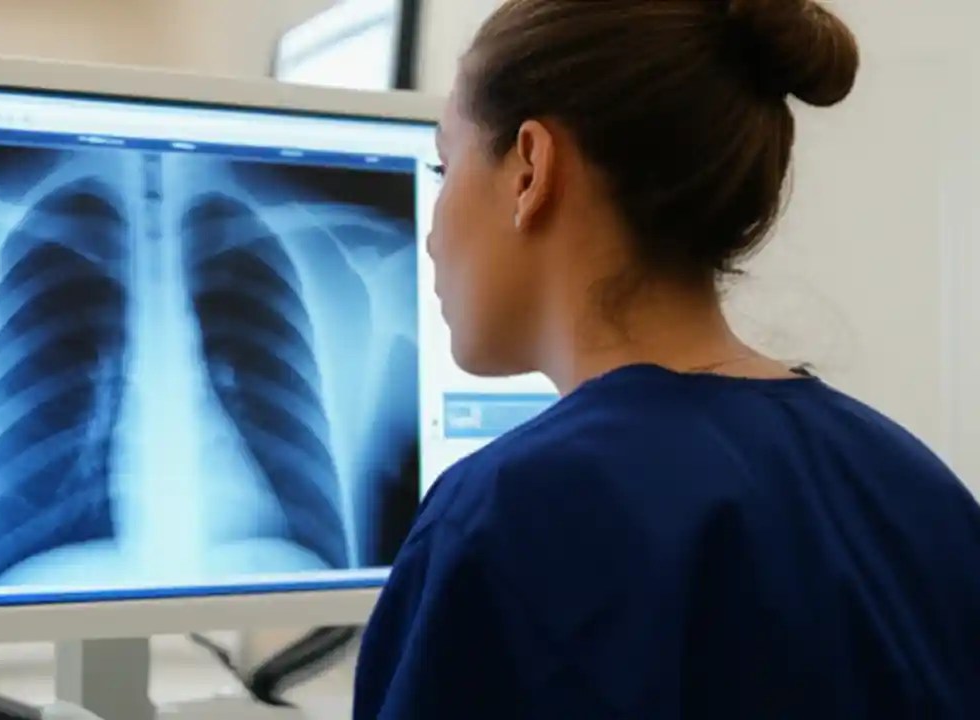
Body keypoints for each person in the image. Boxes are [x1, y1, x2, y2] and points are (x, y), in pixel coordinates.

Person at [353, 0, 980, 718]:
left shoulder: (506, 518)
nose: (429, 235)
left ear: (530, 167)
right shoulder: (915, 487)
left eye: (443, 166)